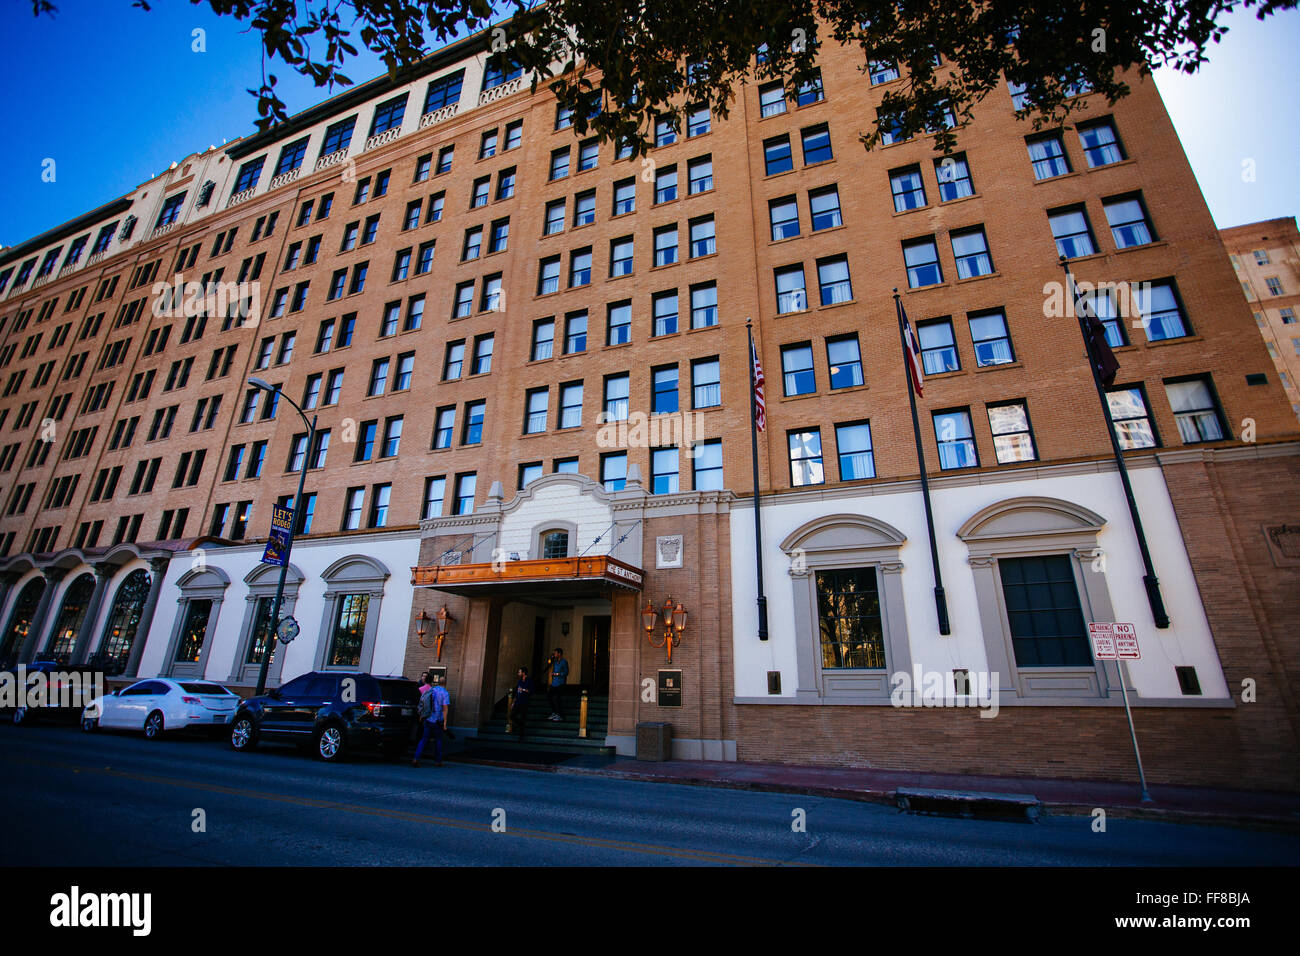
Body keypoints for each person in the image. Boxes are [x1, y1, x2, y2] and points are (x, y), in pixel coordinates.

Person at [413, 676, 450, 767]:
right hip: (437, 720)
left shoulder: (431, 690)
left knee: (424, 739)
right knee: (438, 740)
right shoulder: (444, 693)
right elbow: (445, 708)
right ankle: (438, 761)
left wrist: (422, 715)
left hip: (428, 718)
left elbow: (422, 702)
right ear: (445, 683)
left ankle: (416, 758)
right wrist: (445, 723)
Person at [544, 648, 568, 721]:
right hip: (553, 683)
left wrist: (558, 674)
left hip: (560, 683)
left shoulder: (564, 662)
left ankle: (559, 715)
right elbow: (549, 666)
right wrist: (550, 660)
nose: (554, 654)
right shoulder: (554, 662)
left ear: (559, 654)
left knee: (556, 698)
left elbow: (566, 672)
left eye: (555, 653)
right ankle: (554, 712)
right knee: (549, 697)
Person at [511, 667, 531, 738]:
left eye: (519, 672)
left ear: (523, 673)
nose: (518, 673)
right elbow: (517, 692)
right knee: (512, 716)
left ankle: (521, 735)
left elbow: (530, 691)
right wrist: (513, 702)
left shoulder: (529, 681)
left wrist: (523, 689)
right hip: (518, 702)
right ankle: (520, 725)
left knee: (523, 718)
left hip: (524, 703)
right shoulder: (519, 681)